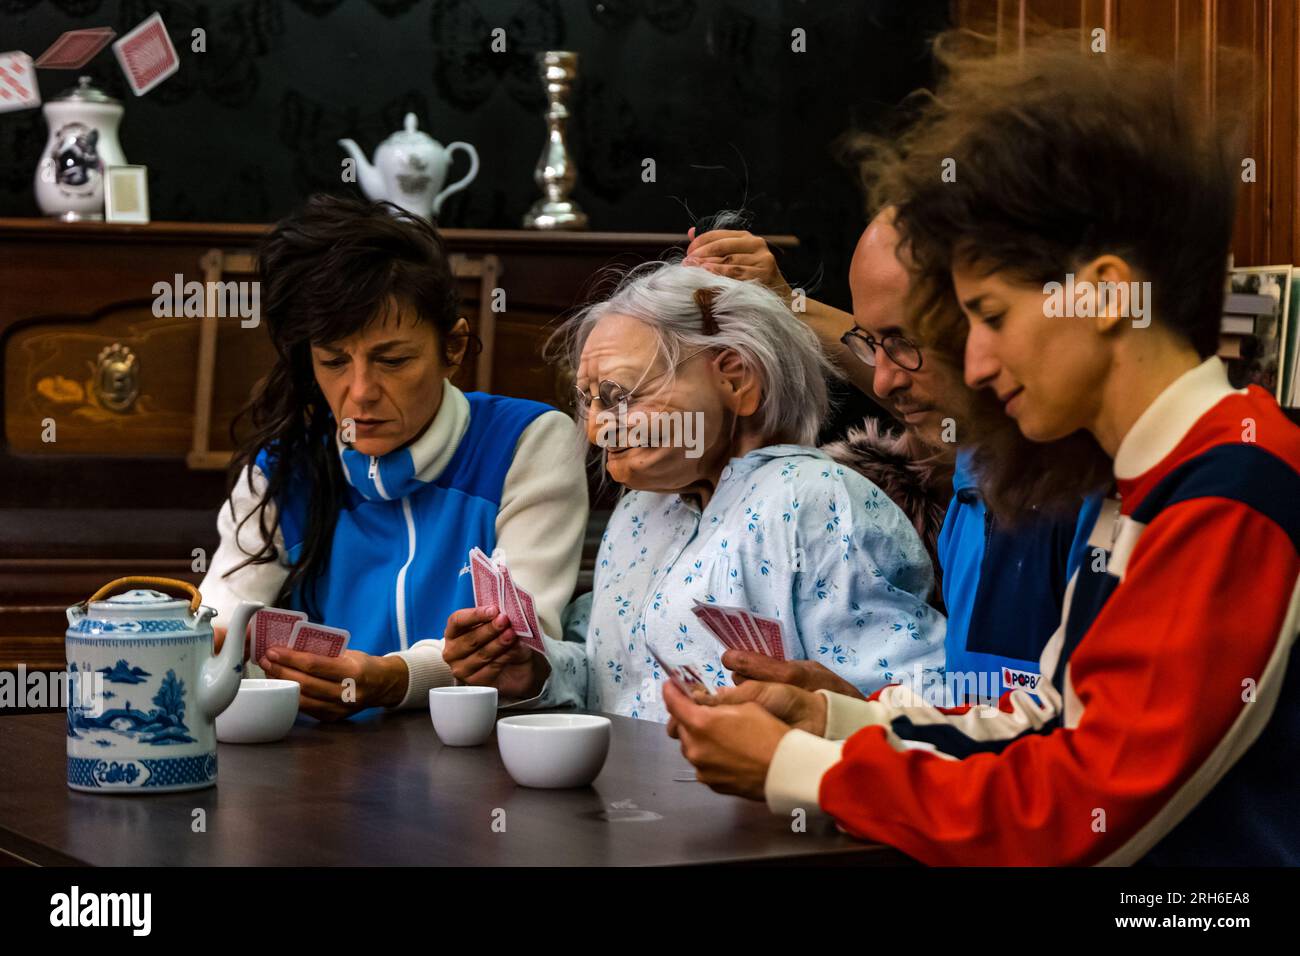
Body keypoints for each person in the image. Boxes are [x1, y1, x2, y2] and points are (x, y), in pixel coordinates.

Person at [664, 33, 1300, 865]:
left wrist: (801, 768)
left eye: (992, 316)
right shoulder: (1143, 481)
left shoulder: (1233, 487)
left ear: (1107, 293)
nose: (974, 364)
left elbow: (1079, 814)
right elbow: (1051, 720)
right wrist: (842, 721)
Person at [441, 261, 945, 721]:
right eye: (589, 402)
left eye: (621, 396)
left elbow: (920, 700)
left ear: (736, 378)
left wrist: (829, 710)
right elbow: (613, 680)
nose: (597, 430)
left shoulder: (815, 501)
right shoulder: (642, 509)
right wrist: (535, 671)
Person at [686, 210, 1105, 706]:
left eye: (907, 341)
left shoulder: (1103, 499)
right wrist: (849, 715)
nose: (883, 382)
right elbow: (989, 725)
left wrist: (858, 725)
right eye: (871, 344)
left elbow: (1070, 752)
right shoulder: (975, 481)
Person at [200, 194, 588, 720]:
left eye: (393, 360)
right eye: (334, 361)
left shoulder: (527, 442)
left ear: (452, 348)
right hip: (317, 775)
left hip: (477, 773)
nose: (360, 392)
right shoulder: (279, 471)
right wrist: (213, 644)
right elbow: (222, 616)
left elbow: (513, 648)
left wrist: (395, 679)